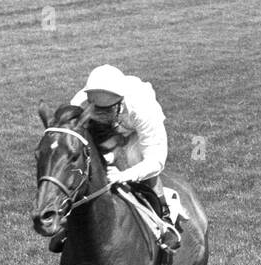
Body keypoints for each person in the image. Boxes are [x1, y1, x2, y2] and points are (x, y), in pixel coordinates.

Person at [49, 64, 179, 254]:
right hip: (106, 129)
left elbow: (156, 160)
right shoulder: (79, 104)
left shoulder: (143, 108)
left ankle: (165, 218)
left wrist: (124, 175)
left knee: (134, 157)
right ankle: (70, 221)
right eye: (96, 111)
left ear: (119, 104)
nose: (100, 116)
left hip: (133, 130)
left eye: (105, 112)